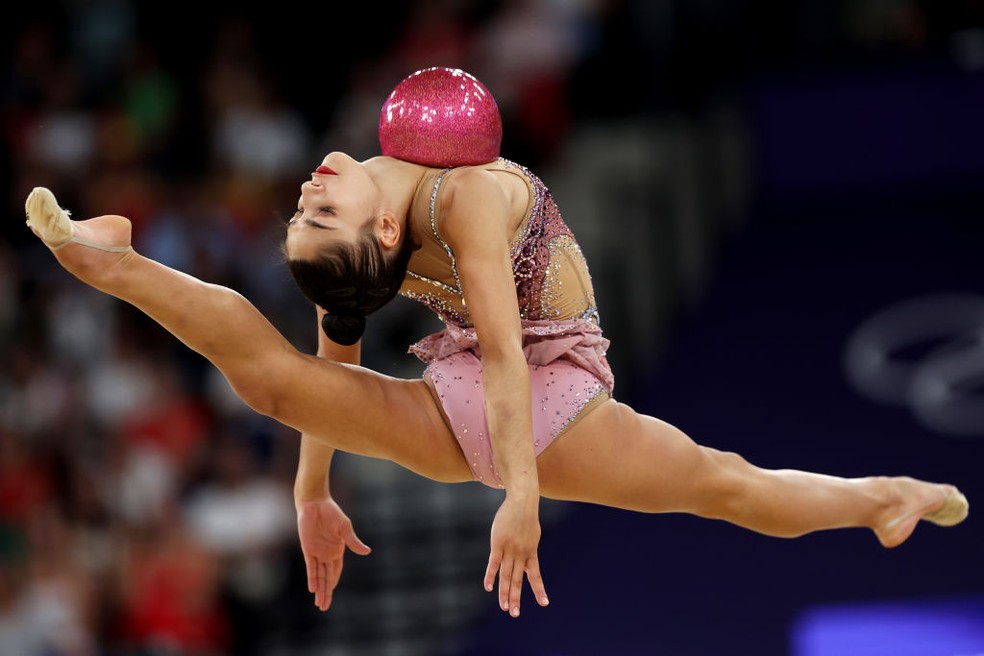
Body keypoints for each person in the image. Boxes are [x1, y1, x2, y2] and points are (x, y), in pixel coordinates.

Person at [24, 148, 968, 620]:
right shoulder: (391, 229)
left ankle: (881, 497)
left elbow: (515, 356)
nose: (309, 189)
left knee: (724, 485)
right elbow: (332, 363)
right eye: (316, 213)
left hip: (548, 377)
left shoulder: (460, 194)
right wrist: (309, 491)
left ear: (387, 237)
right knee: (274, 387)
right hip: (475, 373)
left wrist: (523, 492)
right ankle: (108, 259)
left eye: (310, 210)